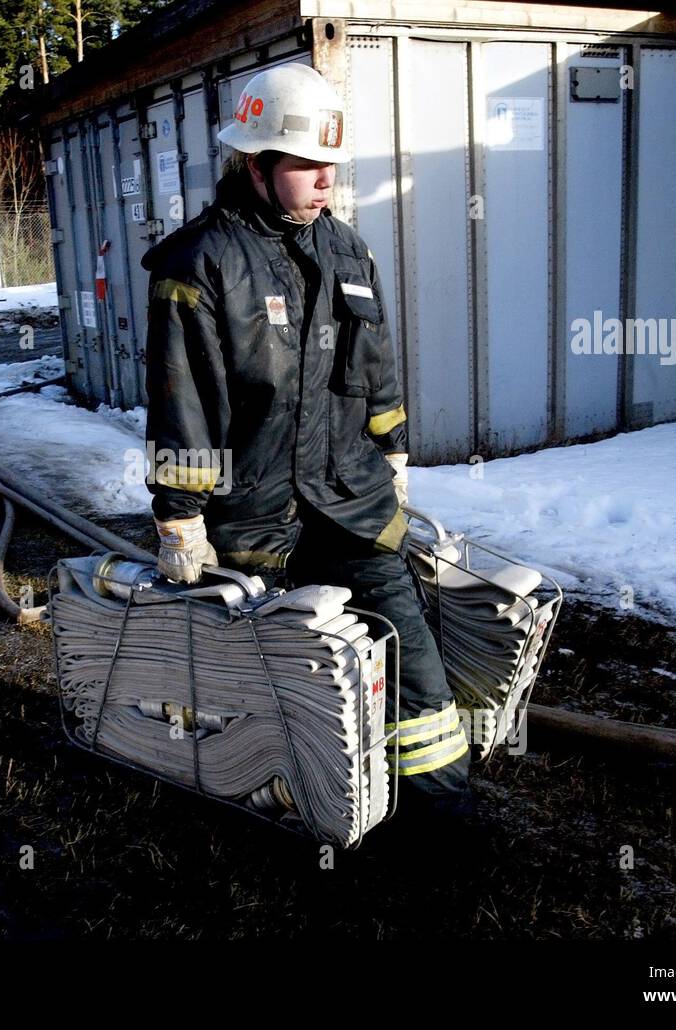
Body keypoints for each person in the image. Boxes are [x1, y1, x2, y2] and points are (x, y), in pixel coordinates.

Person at [141, 64, 473, 832]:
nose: (325, 181)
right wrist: (180, 515)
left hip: (351, 505)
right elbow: (182, 398)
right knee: (270, 685)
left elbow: (376, 368)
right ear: (254, 165)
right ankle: (276, 805)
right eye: (304, 165)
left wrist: (391, 454)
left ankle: (438, 818)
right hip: (252, 521)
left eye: (332, 165)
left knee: (407, 661)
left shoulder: (347, 251)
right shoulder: (197, 264)